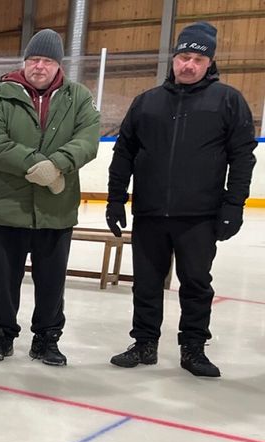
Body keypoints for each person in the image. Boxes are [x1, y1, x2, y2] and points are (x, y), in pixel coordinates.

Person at [106, 22, 256, 378]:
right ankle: (144, 343)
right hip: (150, 212)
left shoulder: (228, 101)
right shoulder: (147, 102)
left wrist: (233, 206)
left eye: (197, 59)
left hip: (200, 215)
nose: (188, 65)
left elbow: (242, 157)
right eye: (183, 57)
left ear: (209, 62)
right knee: (145, 282)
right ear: (173, 59)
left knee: (196, 284)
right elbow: (124, 152)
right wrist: (115, 199)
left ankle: (193, 348)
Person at [0, 29, 100, 366]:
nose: (39, 66)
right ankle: (1, 335)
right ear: (25, 62)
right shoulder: (1, 96)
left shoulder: (79, 97)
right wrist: (36, 165)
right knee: (2, 280)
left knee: (52, 282)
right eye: (33, 60)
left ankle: (47, 338)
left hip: (55, 209)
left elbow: (88, 138)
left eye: (46, 60)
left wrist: (57, 165)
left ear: (58, 64)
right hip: (7, 207)